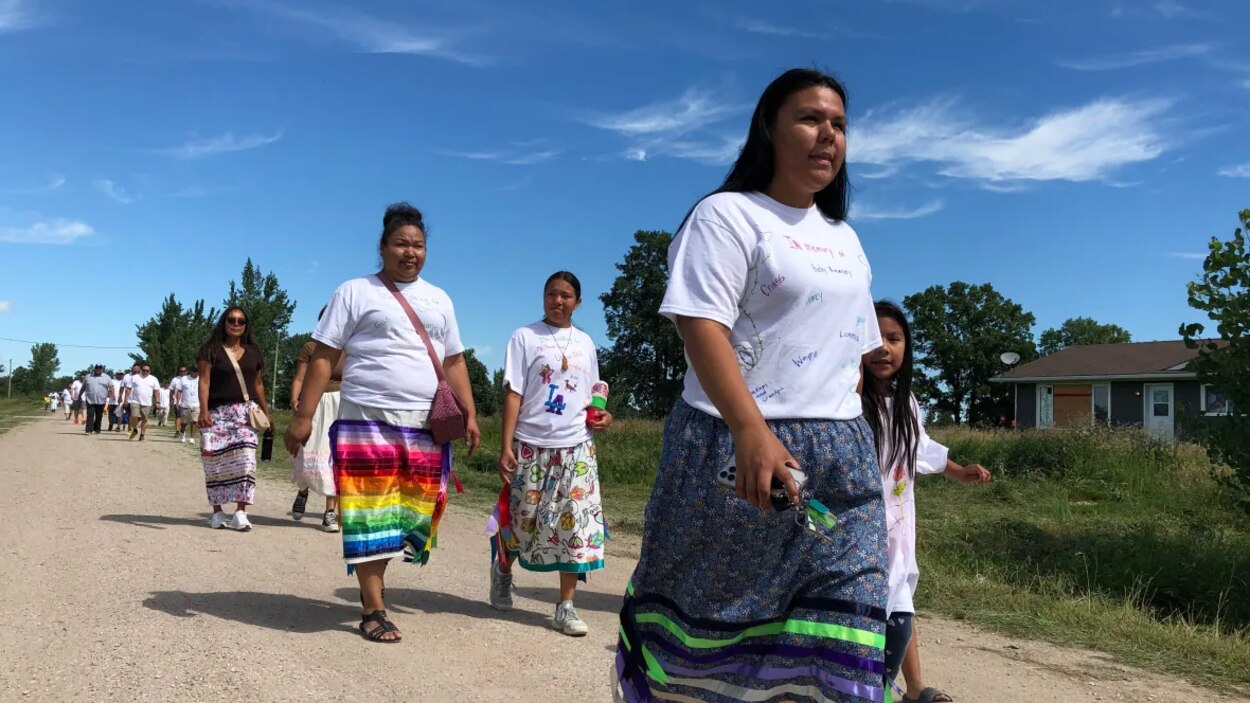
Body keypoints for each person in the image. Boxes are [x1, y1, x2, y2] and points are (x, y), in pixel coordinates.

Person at [613, 68, 889, 703]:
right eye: (811, 119)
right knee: (715, 644)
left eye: (840, 125)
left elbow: (856, 347)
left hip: (841, 457)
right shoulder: (726, 215)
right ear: (770, 127)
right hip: (733, 446)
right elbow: (699, 323)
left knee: (845, 632)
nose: (828, 135)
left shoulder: (847, 240)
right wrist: (750, 430)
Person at [285, 202, 481, 644]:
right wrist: (303, 416)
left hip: (425, 424)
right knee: (371, 513)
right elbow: (324, 357)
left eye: (418, 245)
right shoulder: (355, 292)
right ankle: (373, 607)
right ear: (383, 247)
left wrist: (469, 414)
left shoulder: (439, 298)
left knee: (411, 516)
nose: (409, 252)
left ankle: (377, 575)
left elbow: (453, 360)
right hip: (366, 420)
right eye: (400, 244)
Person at [861, 301, 991, 703]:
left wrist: (957, 470)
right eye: (874, 337)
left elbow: (921, 448)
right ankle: (875, 688)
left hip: (898, 527)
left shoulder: (907, 403)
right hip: (859, 526)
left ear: (907, 348)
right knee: (876, 613)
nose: (884, 347)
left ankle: (905, 689)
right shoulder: (846, 401)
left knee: (900, 606)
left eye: (894, 338)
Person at [490, 271, 612, 636]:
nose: (558, 301)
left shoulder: (586, 343)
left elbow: (594, 395)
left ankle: (566, 606)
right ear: (543, 297)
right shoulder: (524, 337)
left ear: (578, 301)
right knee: (522, 519)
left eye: (566, 296)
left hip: (576, 445)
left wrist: (604, 415)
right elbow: (513, 392)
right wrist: (506, 445)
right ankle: (502, 570)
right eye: (552, 294)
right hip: (531, 443)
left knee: (573, 523)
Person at [197, 307, 271, 531]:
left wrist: (266, 412)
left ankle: (241, 512)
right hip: (217, 414)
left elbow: (258, 384)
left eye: (241, 321)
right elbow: (204, 382)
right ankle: (217, 512)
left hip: (245, 413)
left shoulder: (253, 351)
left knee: (247, 461)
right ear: (224, 322)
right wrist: (203, 410)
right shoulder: (210, 350)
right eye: (232, 320)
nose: (236, 324)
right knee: (215, 464)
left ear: (246, 325)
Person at [288, 307, 344, 532]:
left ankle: (330, 512)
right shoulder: (311, 347)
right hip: (316, 403)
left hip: (342, 404)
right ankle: (303, 491)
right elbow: (300, 378)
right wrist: (295, 402)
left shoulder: (351, 349)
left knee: (337, 456)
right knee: (309, 450)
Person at [124, 364, 161, 441]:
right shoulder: (134, 378)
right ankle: (135, 429)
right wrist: (126, 399)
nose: (145, 371)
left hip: (147, 402)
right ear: (141, 370)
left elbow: (157, 391)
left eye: (147, 370)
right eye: (143, 370)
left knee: (144, 419)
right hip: (135, 401)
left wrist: (157, 401)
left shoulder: (154, 379)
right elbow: (128, 389)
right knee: (133, 416)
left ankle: (142, 435)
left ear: (150, 371)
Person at [81, 365, 114, 435]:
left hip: (101, 399)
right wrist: (79, 395)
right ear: (94, 369)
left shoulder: (107, 377)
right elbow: (83, 387)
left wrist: (112, 395)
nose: (98, 369)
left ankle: (97, 429)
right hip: (90, 399)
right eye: (96, 368)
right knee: (90, 414)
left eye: (100, 368)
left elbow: (111, 387)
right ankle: (88, 430)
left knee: (99, 415)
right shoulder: (88, 377)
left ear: (102, 369)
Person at [175, 366, 201, 444]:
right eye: (193, 371)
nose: (195, 373)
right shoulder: (184, 379)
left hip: (196, 404)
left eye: (197, 371)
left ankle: (192, 438)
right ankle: (182, 434)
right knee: (184, 422)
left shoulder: (200, 379)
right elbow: (179, 391)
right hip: (185, 404)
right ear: (190, 371)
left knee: (194, 421)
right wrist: (177, 401)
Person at [170, 366, 189, 437]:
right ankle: (177, 430)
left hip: (187, 402)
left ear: (187, 372)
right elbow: (171, 390)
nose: (182, 372)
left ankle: (182, 430)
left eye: (184, 371)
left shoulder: (189, 379)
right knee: (178, 416)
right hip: (177, 401)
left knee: (185, 418)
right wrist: (171, 399)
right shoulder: (175, 379)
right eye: (181, 371)